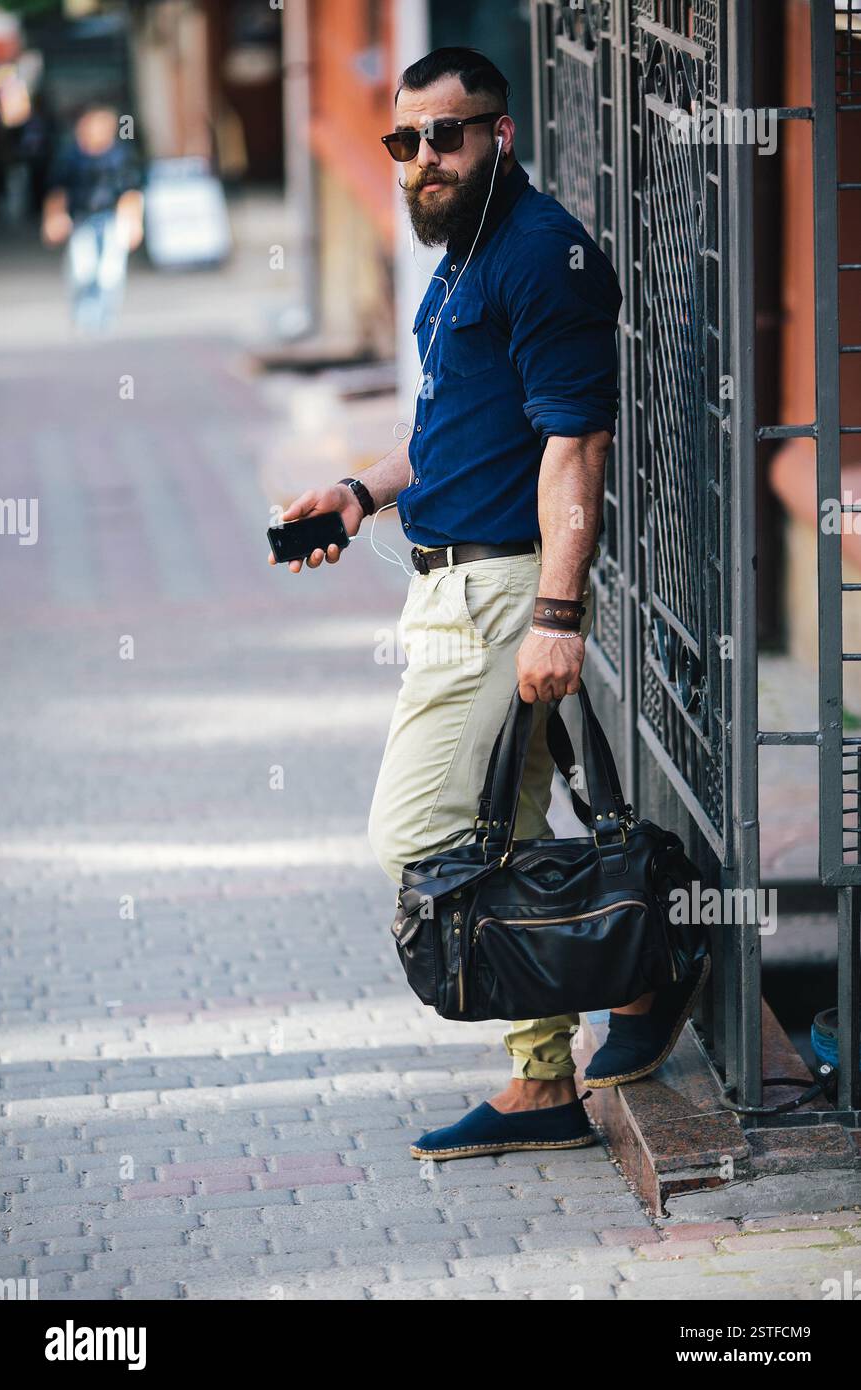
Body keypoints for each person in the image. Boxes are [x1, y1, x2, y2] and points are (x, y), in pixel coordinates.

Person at [269, 47, 710, 1161]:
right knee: (494, 831)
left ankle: (654, 954)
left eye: (446, 135)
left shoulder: (537, 253)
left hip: (500, 590)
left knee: (412, 834)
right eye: (404, 141)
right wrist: (359, 494)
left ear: (498, 134)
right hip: (447, 584)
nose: (423, 158)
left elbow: (576, 444)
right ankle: (539, 1079)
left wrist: (555, 614)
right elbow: (447, 422)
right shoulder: (460, 258)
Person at [41, 102, 144, 333]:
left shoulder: (120, 155)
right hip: (82, 219)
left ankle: (105, 316)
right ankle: (83, 314)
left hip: (111, 219)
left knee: (110, 272)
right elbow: (58, 189)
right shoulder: (71, 156)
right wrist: (54, 218)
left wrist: (134, 222)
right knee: (82, 270)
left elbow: (130, 191)